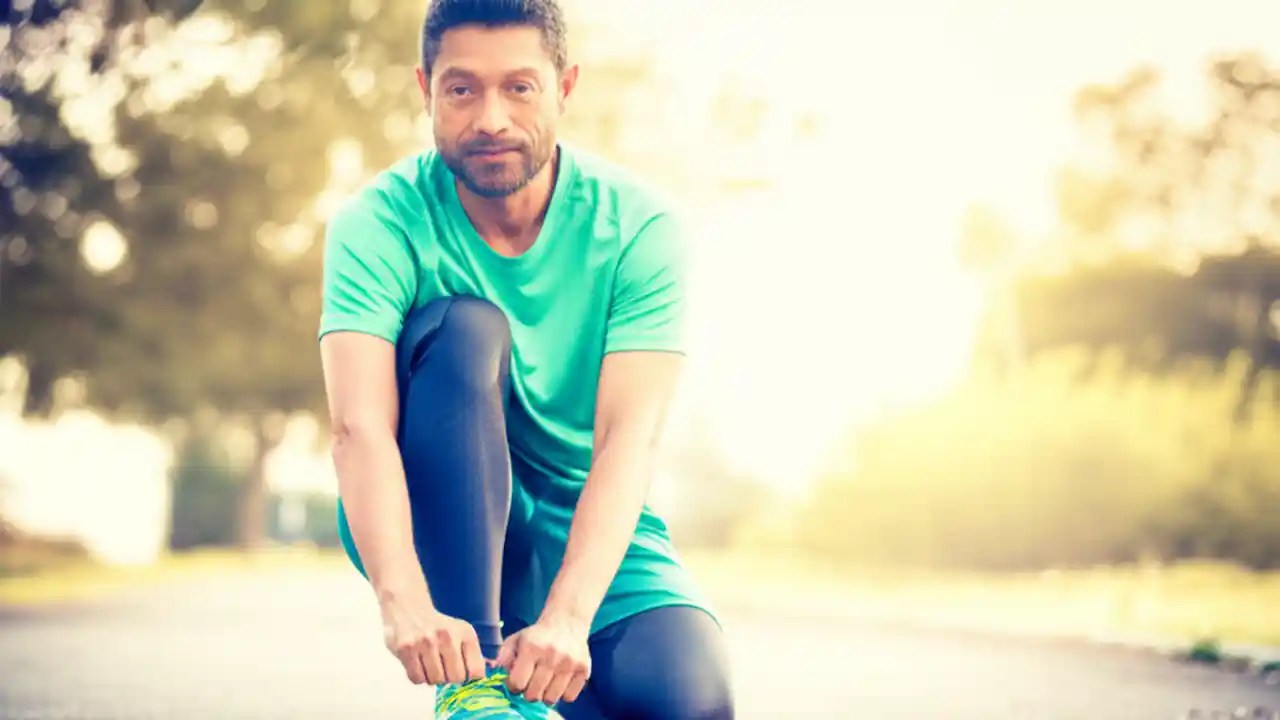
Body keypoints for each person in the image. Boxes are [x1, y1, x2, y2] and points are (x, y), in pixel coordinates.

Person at [316, 1, 734, 717]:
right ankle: (477, 676)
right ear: (425, 89)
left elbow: (626, 440)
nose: (490, 119)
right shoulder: (376, 223)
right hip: (446, 524)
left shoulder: (641, 227)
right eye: (461, 89)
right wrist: (407, 605)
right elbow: (359, 427)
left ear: (564, 87)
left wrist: (568, 620)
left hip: (588, 525)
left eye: (519, 87)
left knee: (690, 704)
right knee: (465, 328)